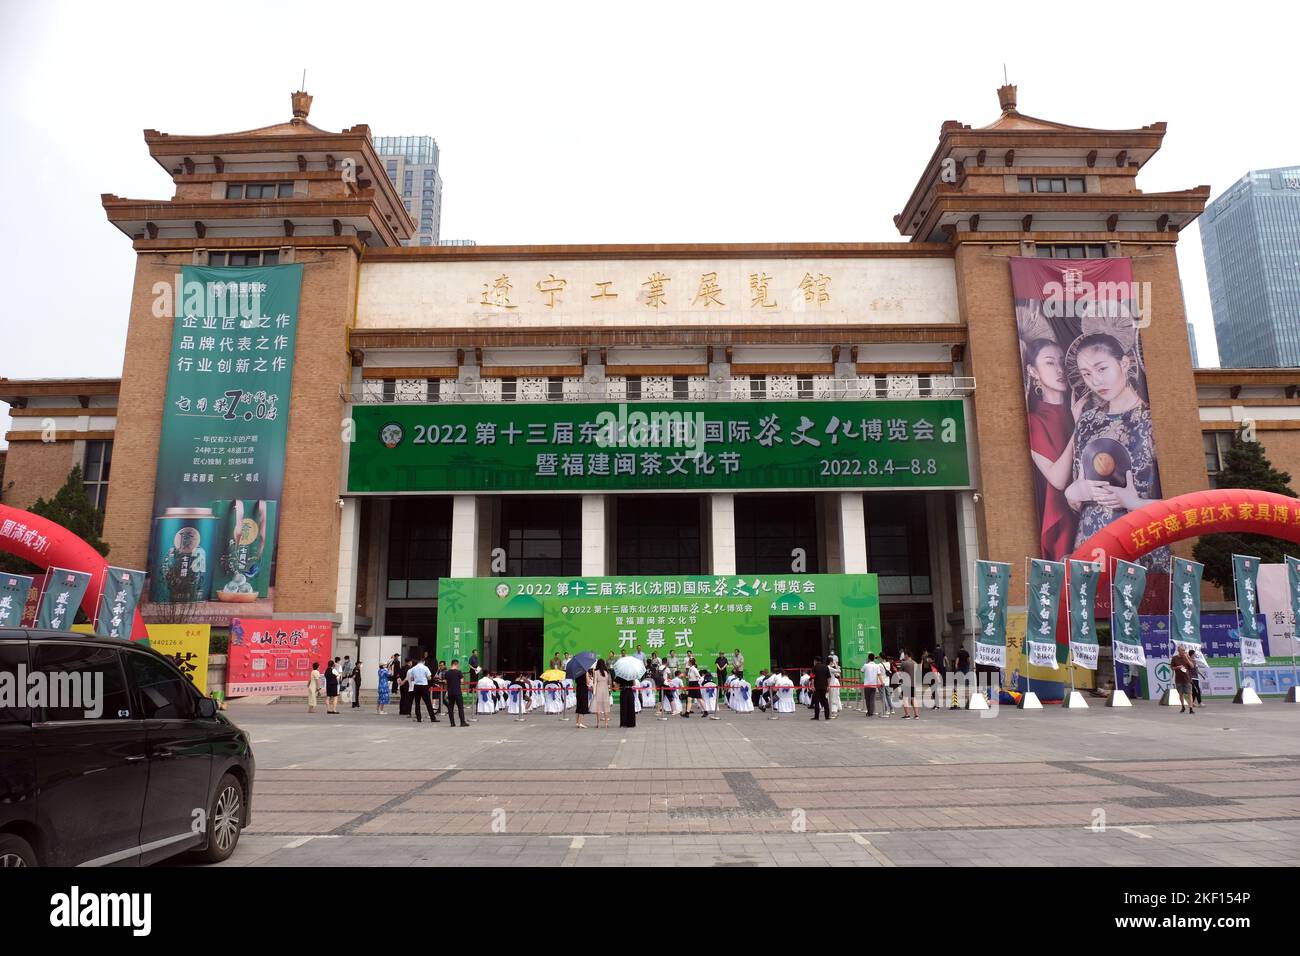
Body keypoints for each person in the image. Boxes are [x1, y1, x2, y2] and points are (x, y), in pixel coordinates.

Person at [1064, 333, 1167, 569]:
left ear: (1124, 363)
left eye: (1102, 369)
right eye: (1087, 374)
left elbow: (1184, 504)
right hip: (1091, 541)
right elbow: (1076, 493)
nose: (1096, 381)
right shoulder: (1088, 420)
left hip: (1140, 540)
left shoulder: (1152, 419)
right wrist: (1073, 492)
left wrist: (1134, 502)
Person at [1023, 338, 1083, 560]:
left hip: (1096, 508)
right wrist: (1080, 427)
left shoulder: (1083, 406)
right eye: (1049, 363)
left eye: (1062, 362)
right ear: (1033, 371)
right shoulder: (1034, 420)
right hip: (1063, 522)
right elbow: (1057, 478)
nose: (1060, 370)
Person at [408, 657, 437, 723]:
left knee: (417, 703)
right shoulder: (425, 668)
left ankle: (419, 718)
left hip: (416, 686)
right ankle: (433, 718)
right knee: (428, 702)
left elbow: (412, 678)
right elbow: (429, 678)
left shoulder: (413, 668)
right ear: (423, 662)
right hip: (424, 686)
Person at [1171, 645, 1196, 714]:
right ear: (1178, 651)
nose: (1183, 652)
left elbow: (1192, 666)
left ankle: (1191, 708)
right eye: (1182, 650)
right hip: (1179, 679)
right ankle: (1183, 706)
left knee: (1189, 693)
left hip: (1187, 679)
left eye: (1184, 650)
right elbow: (1172, 667)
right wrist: (1177, 667)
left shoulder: (1187, 657)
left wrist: (1187, 658)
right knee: (1180, 694)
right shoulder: (1174, 658)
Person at [897, 649, 920, 719]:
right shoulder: (915, 663)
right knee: (914, 698)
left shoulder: (904, 663)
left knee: (905, 699)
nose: (904, 656)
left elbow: (900, 674)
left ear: (907, 655)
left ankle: (907, 714)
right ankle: (916, 715)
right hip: (913, 683)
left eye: (905, 655)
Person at [810, 656, 832, 721]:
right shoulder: (826, 667)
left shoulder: (814, 668)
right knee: (825, 700)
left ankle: (816, 716)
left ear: (816, 661)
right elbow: (829, 677)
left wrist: (812, 686)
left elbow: (812, 678)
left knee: (816, 701)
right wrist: (828, 686)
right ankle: (827, 716)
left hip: (817, 687)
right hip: (824, 687)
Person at [592, 659, 612, 728]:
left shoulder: (596, 672)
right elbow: (609, 682)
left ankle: (598, 724)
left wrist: (593, 691)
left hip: (599, 689)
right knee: (606, 707)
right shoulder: (607, 672)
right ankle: (606, 723)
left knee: (598, 708)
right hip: (605, 689)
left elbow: (594, 682)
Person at [573, 665, 590, 729]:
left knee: (579, 705)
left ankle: (577, 722)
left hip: (578, 688)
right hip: (583, 688)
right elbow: (588, 682)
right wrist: (588, 676)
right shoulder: (585, 672)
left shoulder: (576, 672)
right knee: (583, 705)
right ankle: (581, 723)